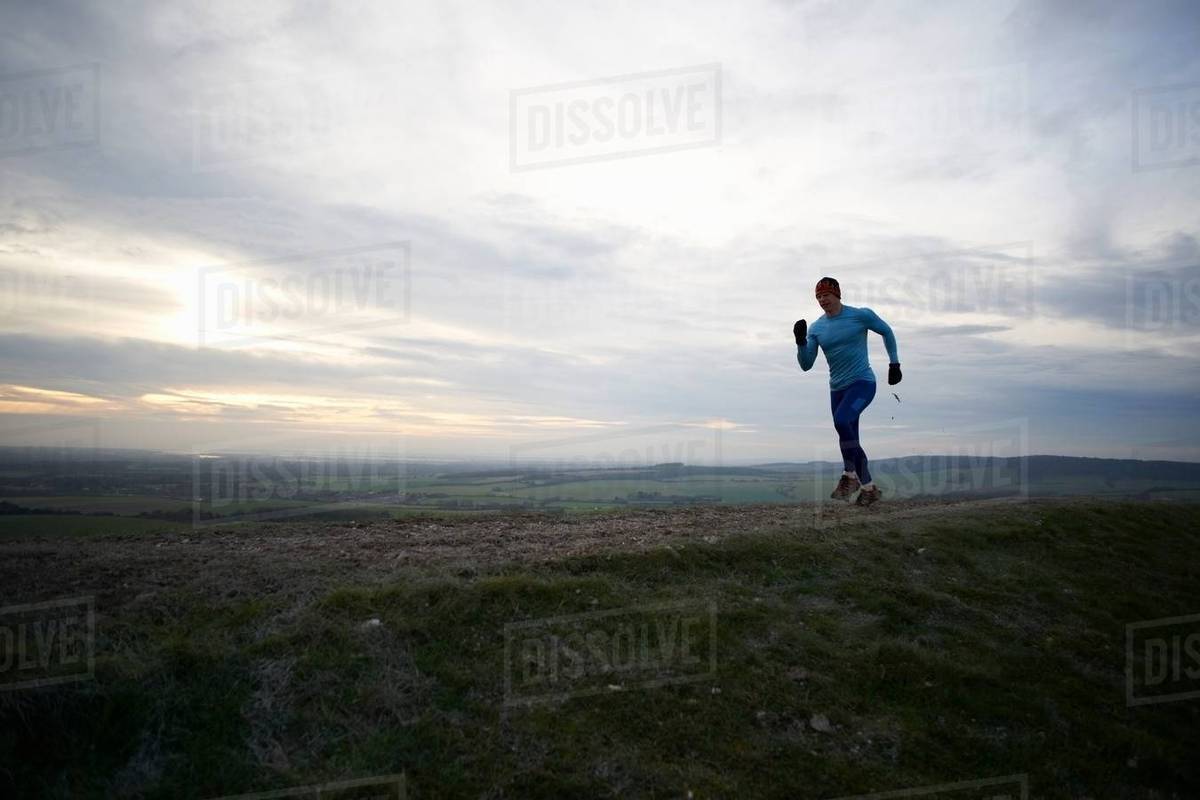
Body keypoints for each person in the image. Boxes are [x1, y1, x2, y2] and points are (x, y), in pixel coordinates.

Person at [793, 277, 901, 506]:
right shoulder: (817, 328)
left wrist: (894, 364)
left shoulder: (860, 315)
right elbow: (806, 364)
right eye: (819, 297)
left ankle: (852, 477)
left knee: (842, 421)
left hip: (862, 383)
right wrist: (801, 342)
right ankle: (866, 487)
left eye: (826, 295)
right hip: (837, 389)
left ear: (837, 295)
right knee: (847, 432)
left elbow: (887, 331)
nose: (823, 300)